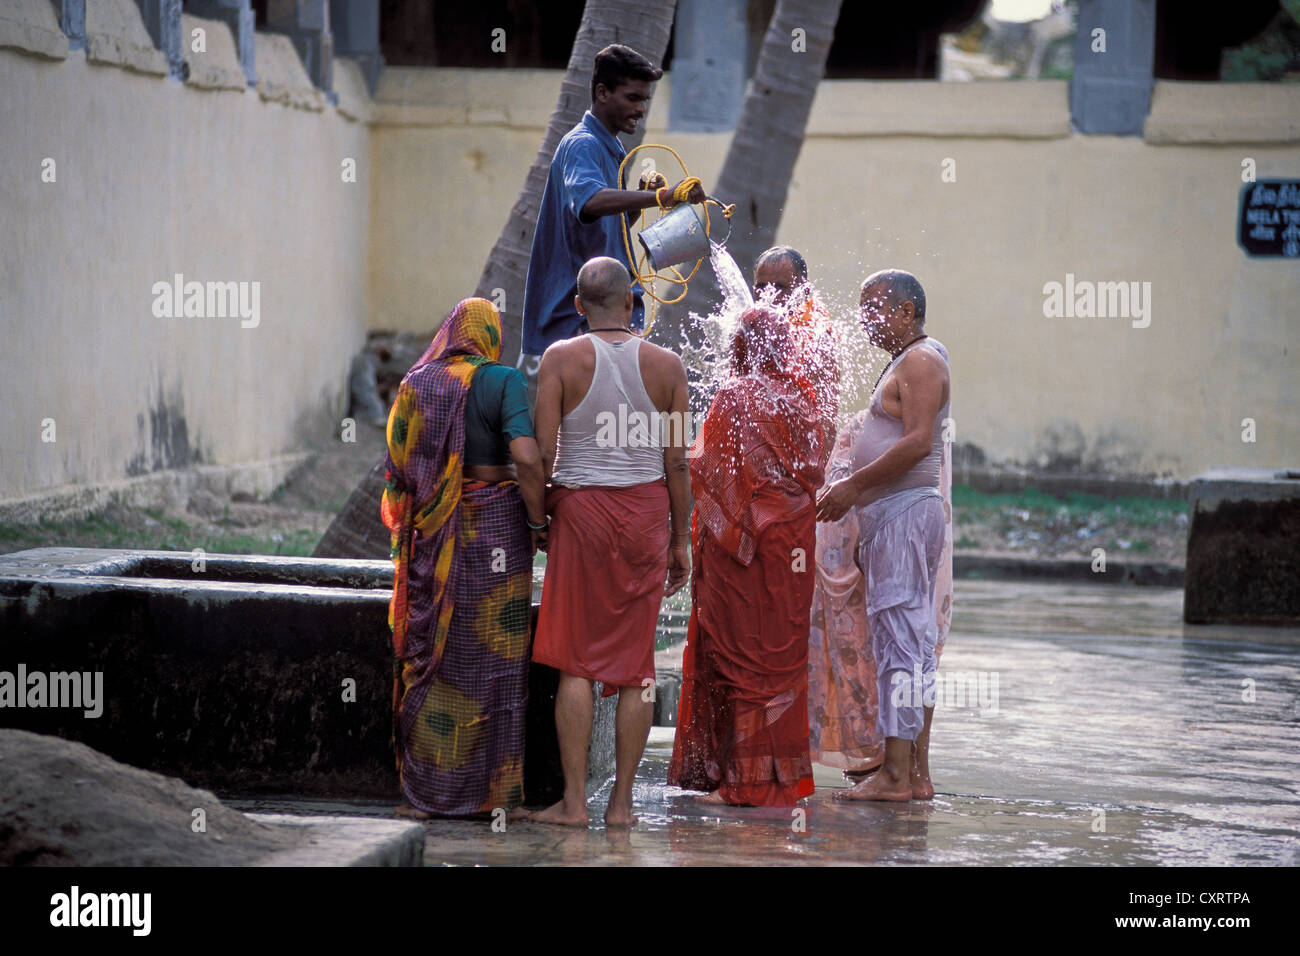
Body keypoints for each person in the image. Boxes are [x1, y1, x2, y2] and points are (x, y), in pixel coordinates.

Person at [527, 257, 692, 827]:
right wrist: (681, 539)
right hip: (646, 515)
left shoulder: (560, 359)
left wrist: (538, 519)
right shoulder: (669, 367)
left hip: (581, 513)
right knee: (635, 666)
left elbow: (542, 455)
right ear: (630, 303)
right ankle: (620, 805)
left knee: (575, 663)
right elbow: (677, 461)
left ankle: (574, 805)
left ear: (578, 305)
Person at [380, 298, 548, 819]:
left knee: (435, 656)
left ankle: (425, 796)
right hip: (497, 530)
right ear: (490, 334)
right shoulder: (504, 381)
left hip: (432, 534)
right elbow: (525, 455)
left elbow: (399, 463)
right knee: (497, 664)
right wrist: (540, 521)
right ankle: (498, 799)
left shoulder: (416, 383)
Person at [668, 305, 826, 806]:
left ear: (741, 346)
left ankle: (742, 783)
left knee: (740, 655)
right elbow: (814, 470)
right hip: (795, 542)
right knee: (777, 657)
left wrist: (723, 528)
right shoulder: (805, 400)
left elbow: (707, 471)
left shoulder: (735, 394)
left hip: (747, 549)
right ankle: (778, 779)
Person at [815, 269, 952, 802]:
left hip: (903, 512)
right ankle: (914, 774)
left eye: (876, 308)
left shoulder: (921, 360)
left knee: (899, 641)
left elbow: (918, 443)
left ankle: (895, 773)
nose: (865, 319)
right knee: (913, 642)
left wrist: (852, 486)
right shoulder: (909, 360)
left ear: (906, 312)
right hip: (897, 514)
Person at [519, 43, 706, 404]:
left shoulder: (607, 149)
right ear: (602, 93)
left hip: (601, 321)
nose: (640, 109)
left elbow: (597, 225)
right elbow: (590, 201)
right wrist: (661, 198)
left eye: (645, 100)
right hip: (581, 323)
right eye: (633, 98)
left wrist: (638, 197)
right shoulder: (584, 145)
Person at [753, 246, 840, 464]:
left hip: (795, 465)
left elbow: (826, 422)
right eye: (761, 287)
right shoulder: (753, 328)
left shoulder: (817, 337)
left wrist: (813, 482)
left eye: (780, 287)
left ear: (804, 292)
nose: (769, 296)